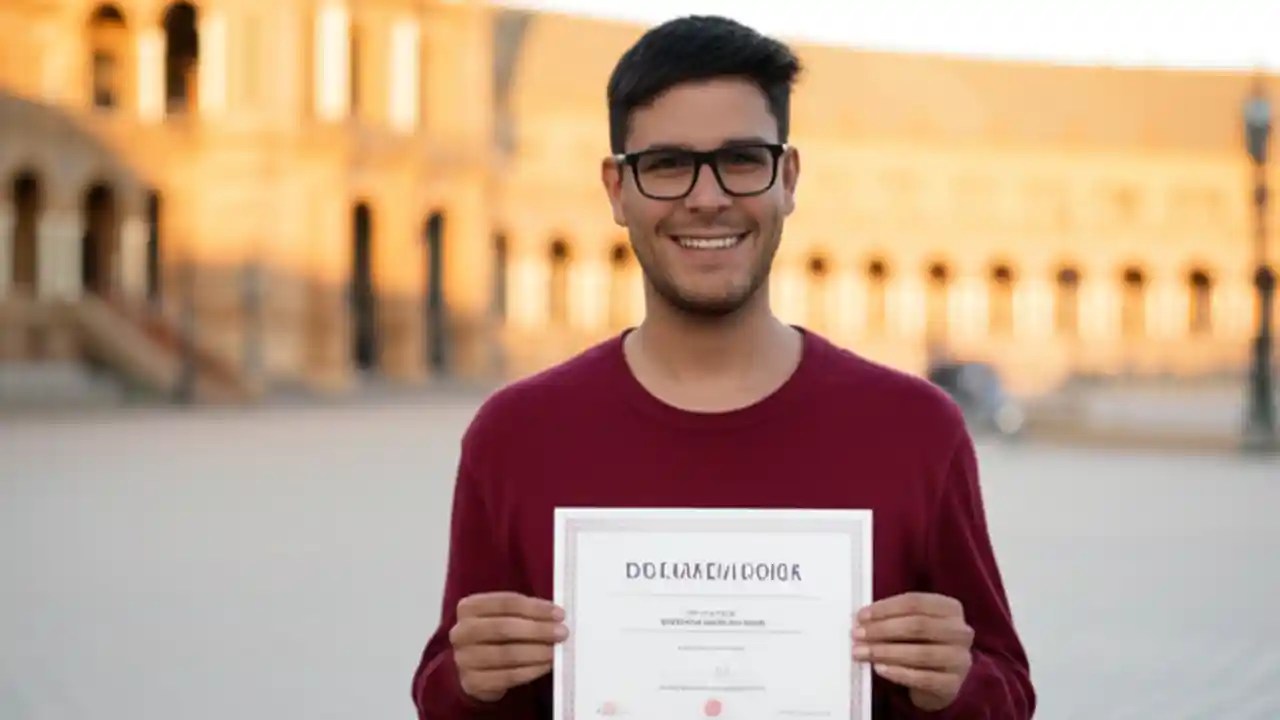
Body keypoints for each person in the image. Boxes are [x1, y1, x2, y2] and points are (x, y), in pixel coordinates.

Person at [411, 14, 1035, 719]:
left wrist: (957, 685)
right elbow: (444, 691)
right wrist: (470, 682)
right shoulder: (517, 435)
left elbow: (1007, 688)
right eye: (668, 164)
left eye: (741, 159)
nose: (707, 198)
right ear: (617, 190)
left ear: (788, 177)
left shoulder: (915, 430)